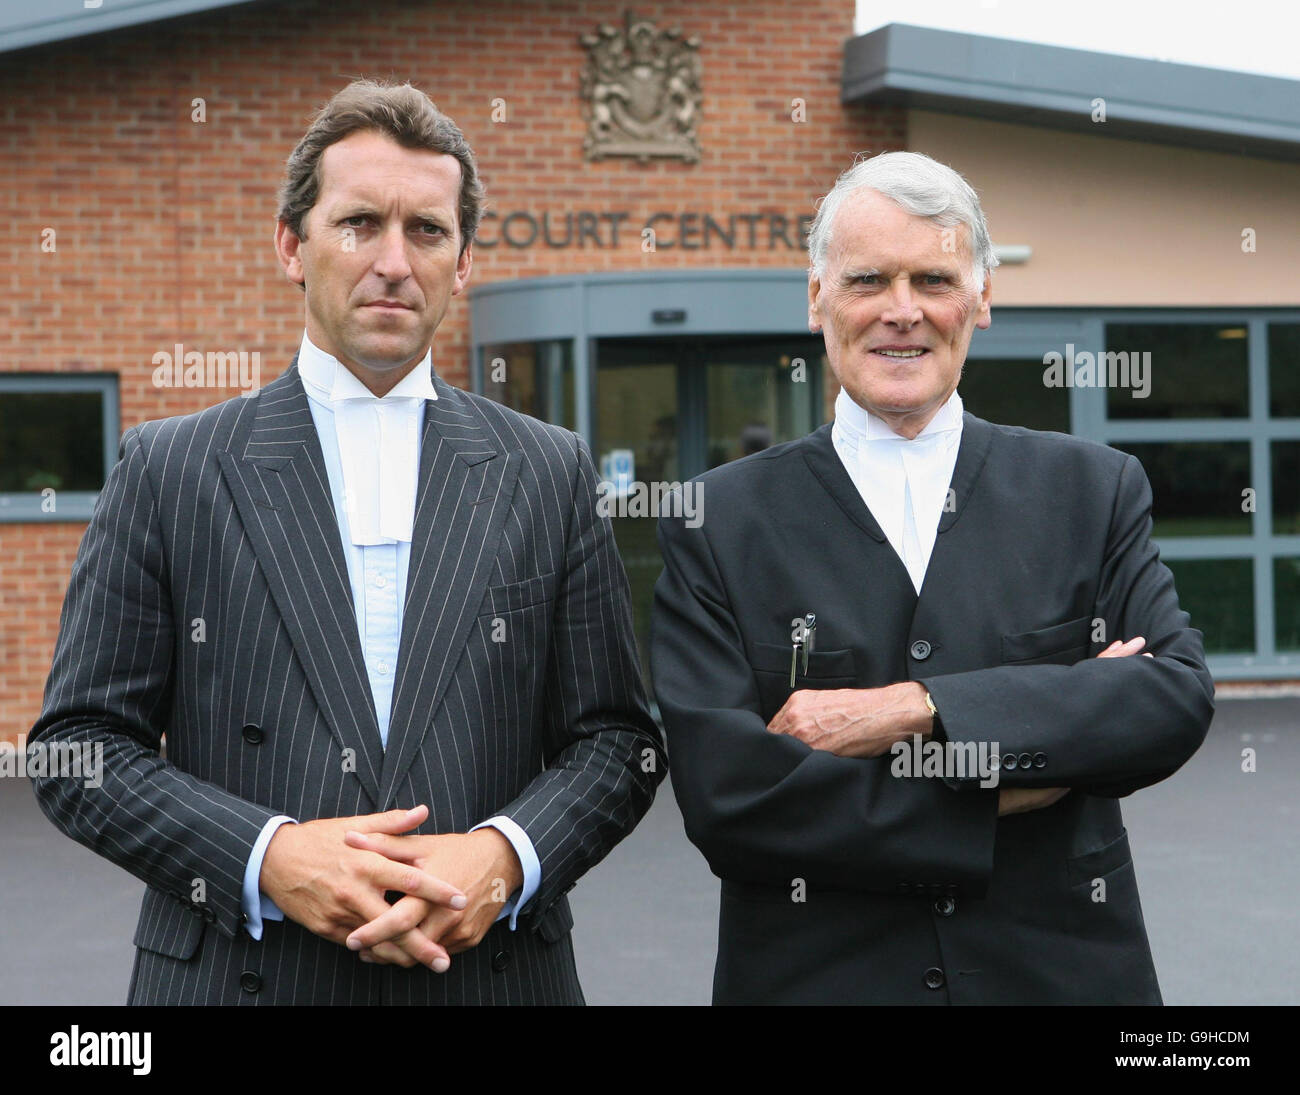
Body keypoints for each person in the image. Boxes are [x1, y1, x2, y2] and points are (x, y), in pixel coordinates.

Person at [30, 79, 664, 1006]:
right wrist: (266, 854)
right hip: (242, 978)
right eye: (360, 223)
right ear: (292, 245)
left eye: (428, 231)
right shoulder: (168, 467)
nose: (394, 262)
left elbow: (616, 740)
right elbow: (78, 748)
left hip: (490, 980)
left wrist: (505, 858)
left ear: (465, 258)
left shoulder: (548, 470)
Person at [650, 151, 1214, 1005]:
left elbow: (1168, 700)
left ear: (982, 298)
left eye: (934, 279)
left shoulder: (1091, 489)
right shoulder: (717, 519)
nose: (901, 312)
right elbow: (732, 798)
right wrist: (1022, 772)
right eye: (869, 278)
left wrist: (911, 709)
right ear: (816, 297)